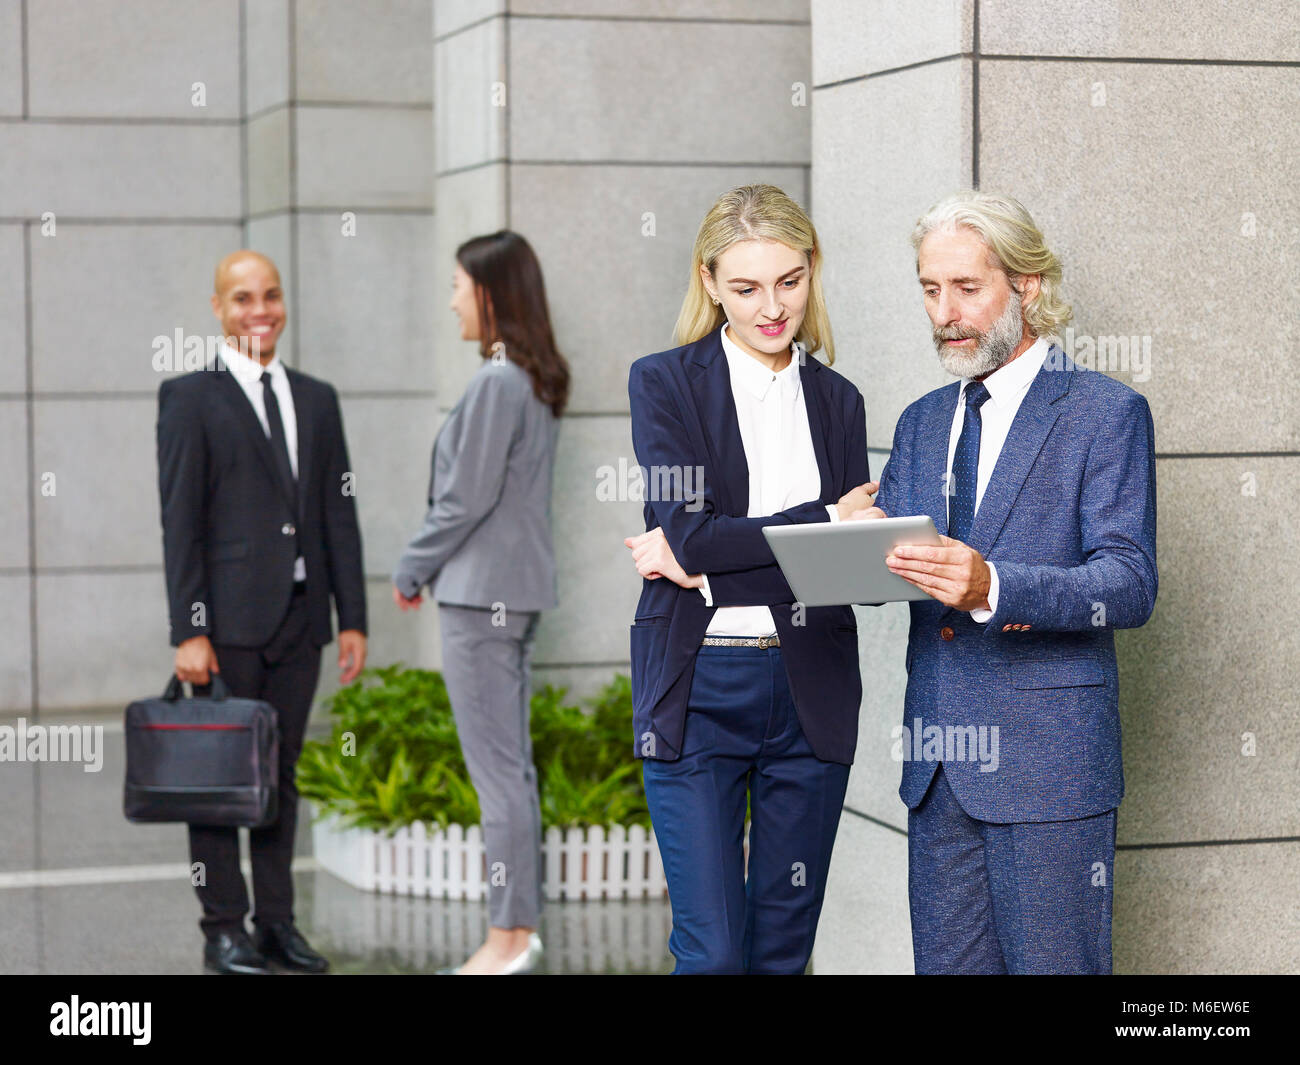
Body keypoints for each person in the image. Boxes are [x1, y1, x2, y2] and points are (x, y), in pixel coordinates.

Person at [860, 191, 1157, 973]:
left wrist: (993, 584)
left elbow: (1127, 582)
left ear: (1026, 285)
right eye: (930, 289)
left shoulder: (1105, 413)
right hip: (938, 772)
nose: (945, 312)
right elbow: (892, 561)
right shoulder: (922, 420)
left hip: (1050, 769)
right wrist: (852, 543)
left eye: (967, 287)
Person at [623, 184, 877, 974]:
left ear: (812, 270)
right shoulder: (664, 383)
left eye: (789, 281)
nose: (773, 306)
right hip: (699, 688)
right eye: (746, 287)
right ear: (708, 281)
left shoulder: (839, 401)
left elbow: (857, 575)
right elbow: (693, 534)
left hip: (812, 691)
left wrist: (709, 570)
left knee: (779, 954)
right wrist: (824, 523)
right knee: (716, 953)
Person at [157, 250, 368, 974]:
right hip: (226, 625)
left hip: (301, 621)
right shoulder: (190, 398)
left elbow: (339, 511)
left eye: (271, 295)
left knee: (281, 778)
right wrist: (189, 627)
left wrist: (353, 615)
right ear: (218, 308)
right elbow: (179, 521)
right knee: (221, 780)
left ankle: (276, 923)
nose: (260, 310)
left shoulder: (318, 397)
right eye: (243, 297)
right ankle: (223, 928)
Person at [393, 231, 568, 976]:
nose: (453, 299)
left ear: (491, 294)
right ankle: (515, 932)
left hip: (479, 598)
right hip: (509, 594)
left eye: (461, 286)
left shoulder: (498, 383)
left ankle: (506, 940)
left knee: (497, 777)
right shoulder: (525, 378)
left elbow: (463, 497)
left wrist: (409, 566)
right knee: (510, 772)